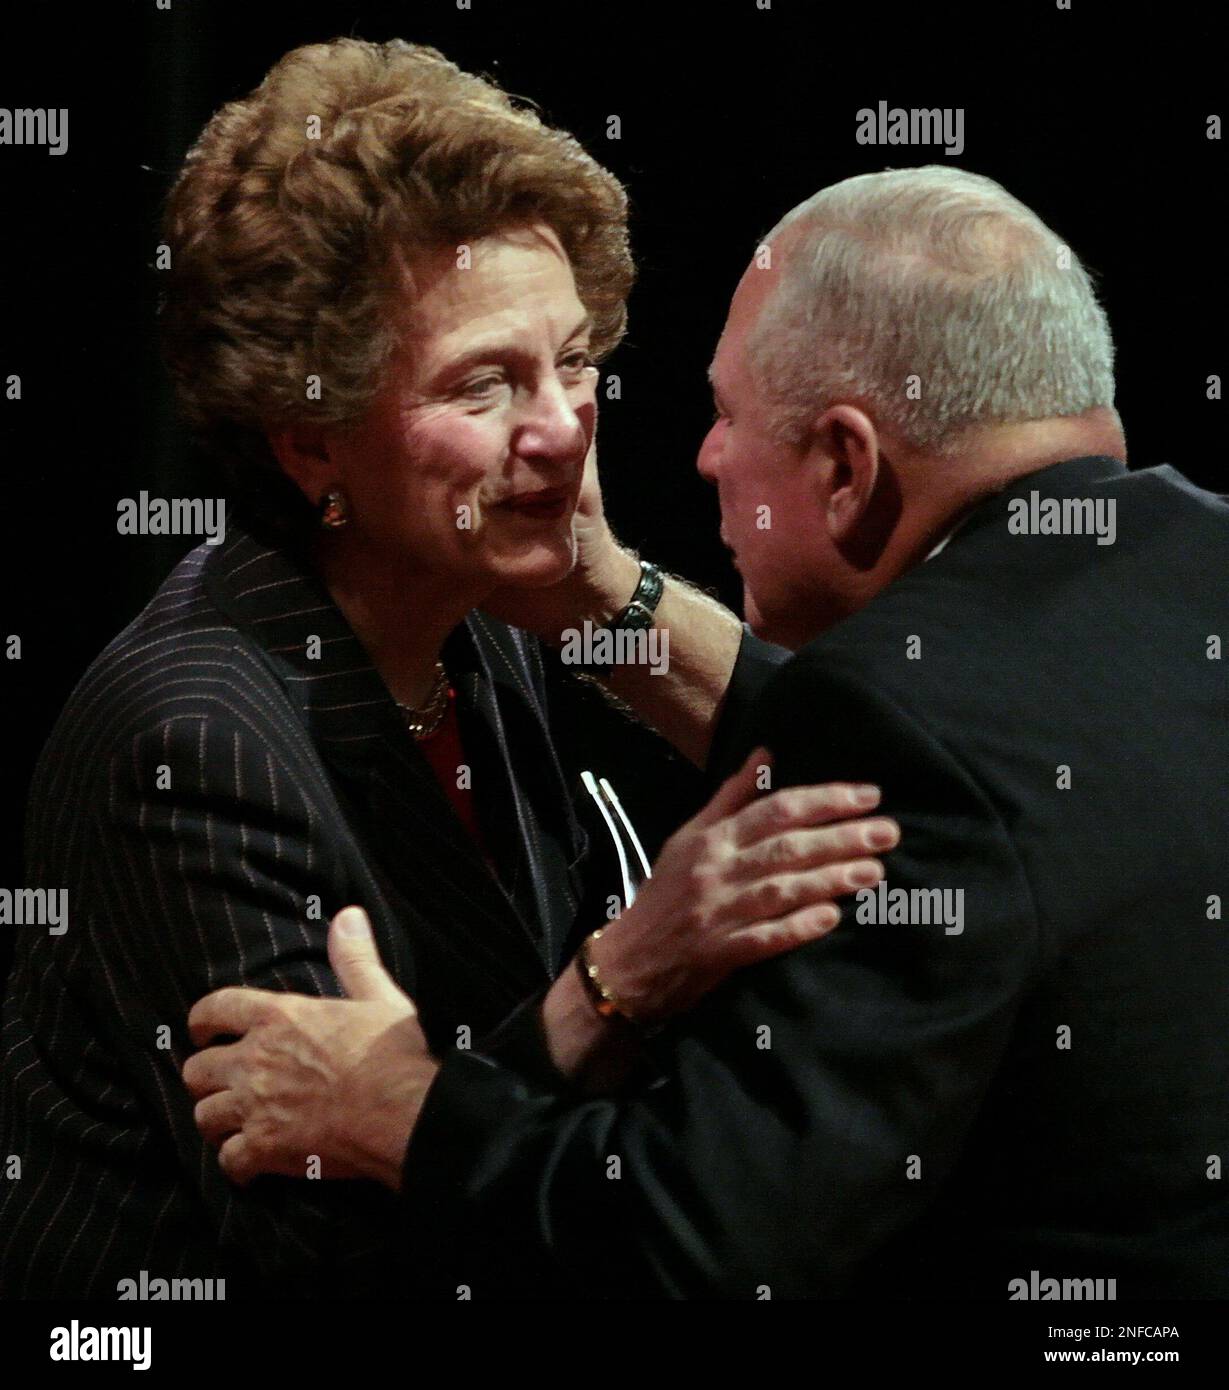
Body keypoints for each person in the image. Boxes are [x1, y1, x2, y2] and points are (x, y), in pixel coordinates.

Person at [187, 165, 1229, 1299]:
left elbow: (704, 1239)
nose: (702, 457)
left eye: (727, 416)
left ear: (843, 464)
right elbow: (972, 761)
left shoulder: (898, 721)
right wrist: (612, 605)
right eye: (489, 380)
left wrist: (409, 1111)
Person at [0, 39, 896, 1299]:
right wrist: (623, 975)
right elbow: (343, 1245)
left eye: (574, 361)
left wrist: (597, 580)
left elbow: (873, 780)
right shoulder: (192, 741)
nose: (561, 427)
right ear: (310, 439)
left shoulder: (481, 615)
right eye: (485, 384)